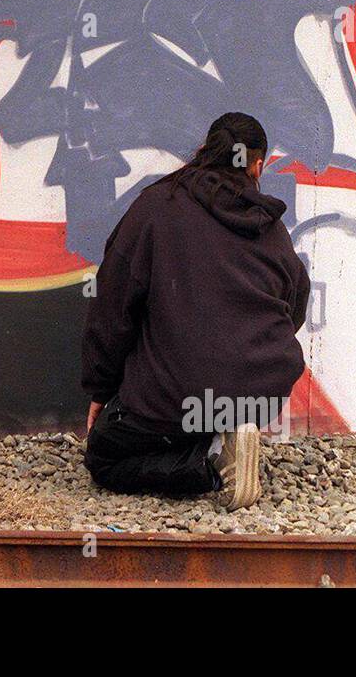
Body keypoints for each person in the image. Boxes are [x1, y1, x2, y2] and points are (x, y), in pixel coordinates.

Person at [80, 112, 310, 510]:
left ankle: (211, 461)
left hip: (174, 399)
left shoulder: (156, 206)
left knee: (104, 455)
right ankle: (226, 433)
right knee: (191, 404)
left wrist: (102, 387)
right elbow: (295, 305)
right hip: (256, 397)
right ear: (258, 166)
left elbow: (113, 304)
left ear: (205, 151)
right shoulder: (269, 227)